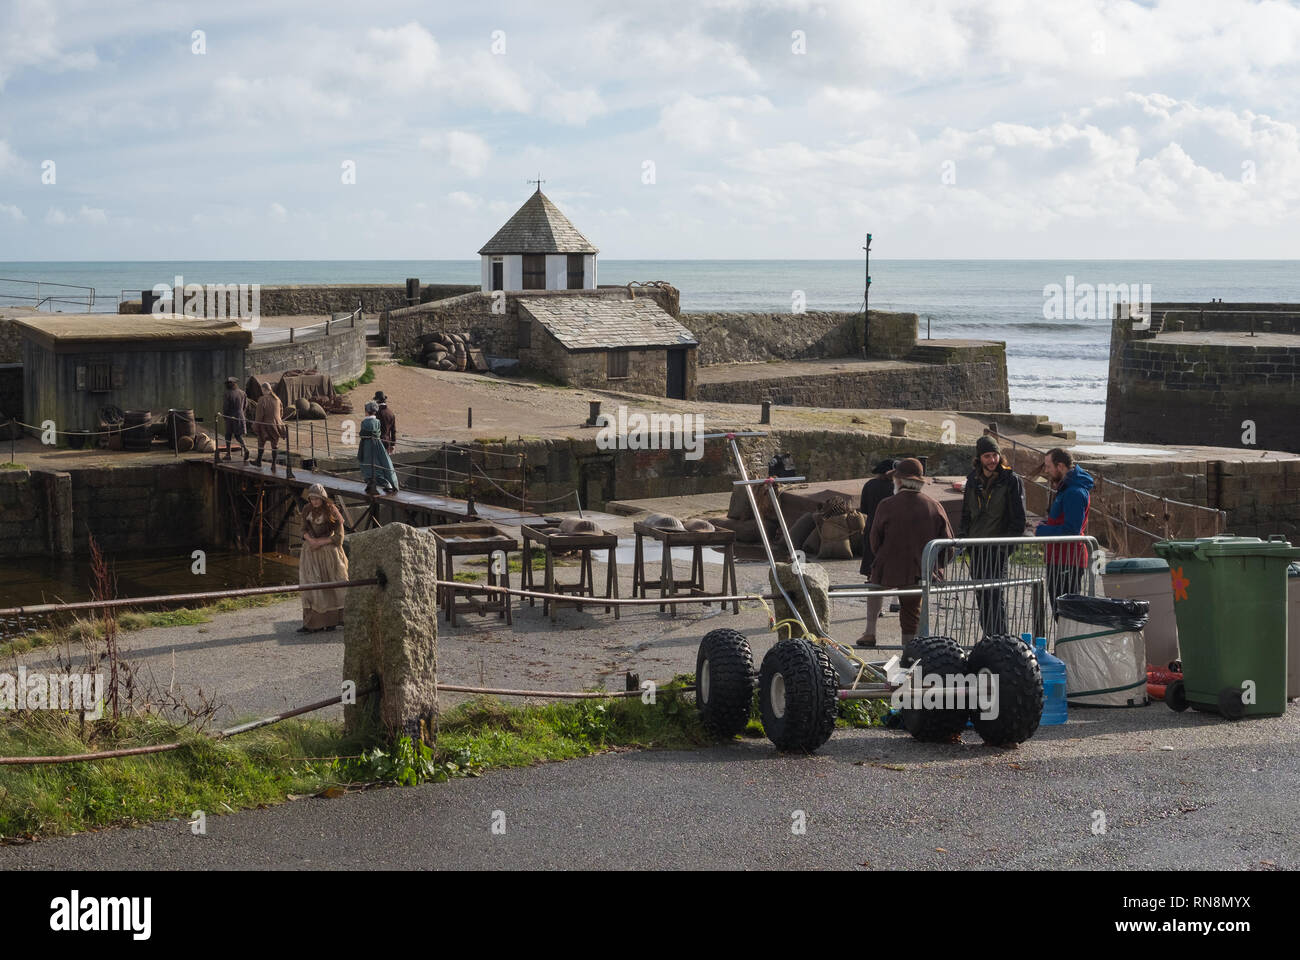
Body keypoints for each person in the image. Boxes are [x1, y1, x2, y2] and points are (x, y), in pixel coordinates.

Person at [868, 458, 954, 651]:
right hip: (919, 570)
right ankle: (910, 657)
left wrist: (883, 558)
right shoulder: (934, 505)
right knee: (911, 616)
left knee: (874, 588)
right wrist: (935, 566)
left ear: (898, 481)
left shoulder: (886, 504)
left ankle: (870, 632)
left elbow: (874, 540)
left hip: (888, 569)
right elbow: (948, 544)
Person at [958, 434, 1027, 637]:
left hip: (997, 548)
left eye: (995, 455)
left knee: (995, 597)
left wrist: (1006, 548)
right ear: (979, 458)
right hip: (976, 547)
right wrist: (963, 536)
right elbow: (966, 513)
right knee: (982, 596)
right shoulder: (972, 479)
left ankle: (1000, 639)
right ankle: (988, 638)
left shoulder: (1011, 480)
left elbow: (1019, 519)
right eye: (987, 456)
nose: (992, 460)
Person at [1035, 447, 1094, 613]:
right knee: (1060, 610)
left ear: (1060, 466)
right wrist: (1045, 524)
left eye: (1048, 466)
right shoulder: (1067, 488)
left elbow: (1071, 530)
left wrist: (1040, 532)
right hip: (1060, 557)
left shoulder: (1073, 492)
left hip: (1068, 559)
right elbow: (1063, 520)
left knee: (1065, 613)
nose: (1046, 471)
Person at [855, 458, 896, 647]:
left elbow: (863, 509)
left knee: (874, 574)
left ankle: (873, 620)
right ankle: (895, 601)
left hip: (871, 529)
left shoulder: (869, 485)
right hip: (890, 533)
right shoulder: (894, 489)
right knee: (898, 573)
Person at [298, 483, 348, 633]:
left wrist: (320, 542)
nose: (314, 502)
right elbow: (303, 529)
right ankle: (312, 623)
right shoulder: (307, 509)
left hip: (329, 552)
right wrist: (311, 540)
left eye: (317, 499)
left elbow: (339, 537)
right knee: (312, 586)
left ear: (323, 498)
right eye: (312, 499)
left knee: (332, 586)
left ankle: (333, 621)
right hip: (311, 552)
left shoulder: (332, 510)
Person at [359, 401, 399, 494]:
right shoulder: (377, 421)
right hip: (378, 444)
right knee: (382, 462)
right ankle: (387, 483)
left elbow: (363, 434)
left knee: (368, 464)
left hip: (368, 446)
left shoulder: (365, 422)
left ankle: (373, 482)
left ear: (367, 411)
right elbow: (378, 433)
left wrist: (363, 434)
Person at [253, 382, 284, 471]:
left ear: (265, 389)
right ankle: (273, 464)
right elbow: (281, 412)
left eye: (262, 390)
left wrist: (255, 425)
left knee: (261, 442)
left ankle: (258, 461)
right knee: (274, 445)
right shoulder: (277, 399)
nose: (262, 392)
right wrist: (277, 421)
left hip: (265, 426)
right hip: (277, 426)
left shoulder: (262, 399)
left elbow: (259, 415)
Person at [221, 377, 249, 461]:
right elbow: (245, 405)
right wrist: (241, 413)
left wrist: (225, 416)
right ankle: (246, 449)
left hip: (230, 416)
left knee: (228, 435)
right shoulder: (242, 393)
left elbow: (226, 407)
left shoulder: (227, 394)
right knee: (238, 435)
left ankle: (228, 454)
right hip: (240, 415)